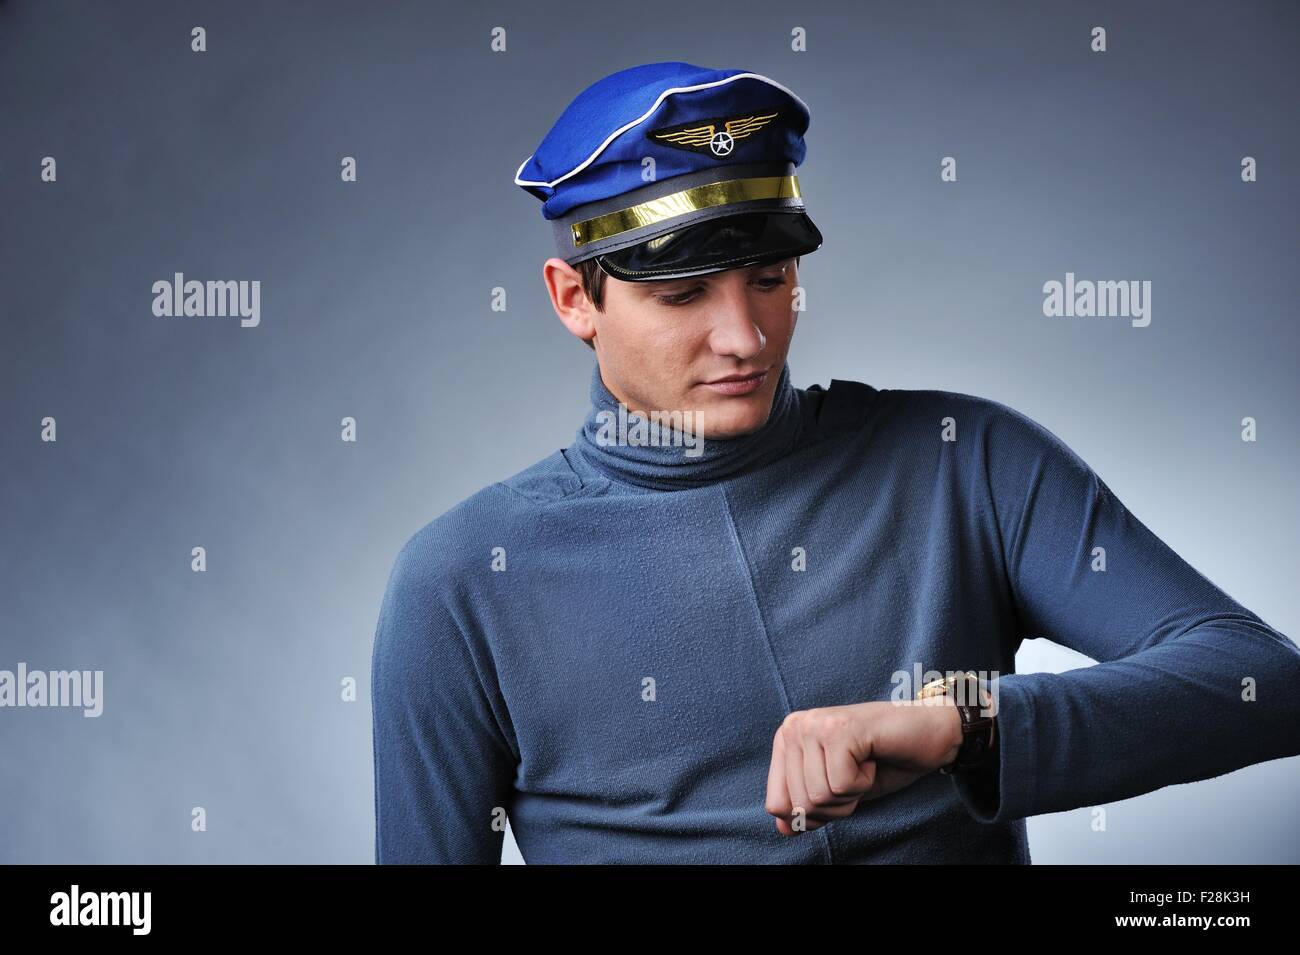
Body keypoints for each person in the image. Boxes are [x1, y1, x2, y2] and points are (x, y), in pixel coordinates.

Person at [370, 61, 1300, 864]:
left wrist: (962, 723)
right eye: (685, 292)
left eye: (771, 280)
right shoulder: (461, 581)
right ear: (575, 298)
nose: (744, 336)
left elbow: (1261, 678)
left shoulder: (963, 461)